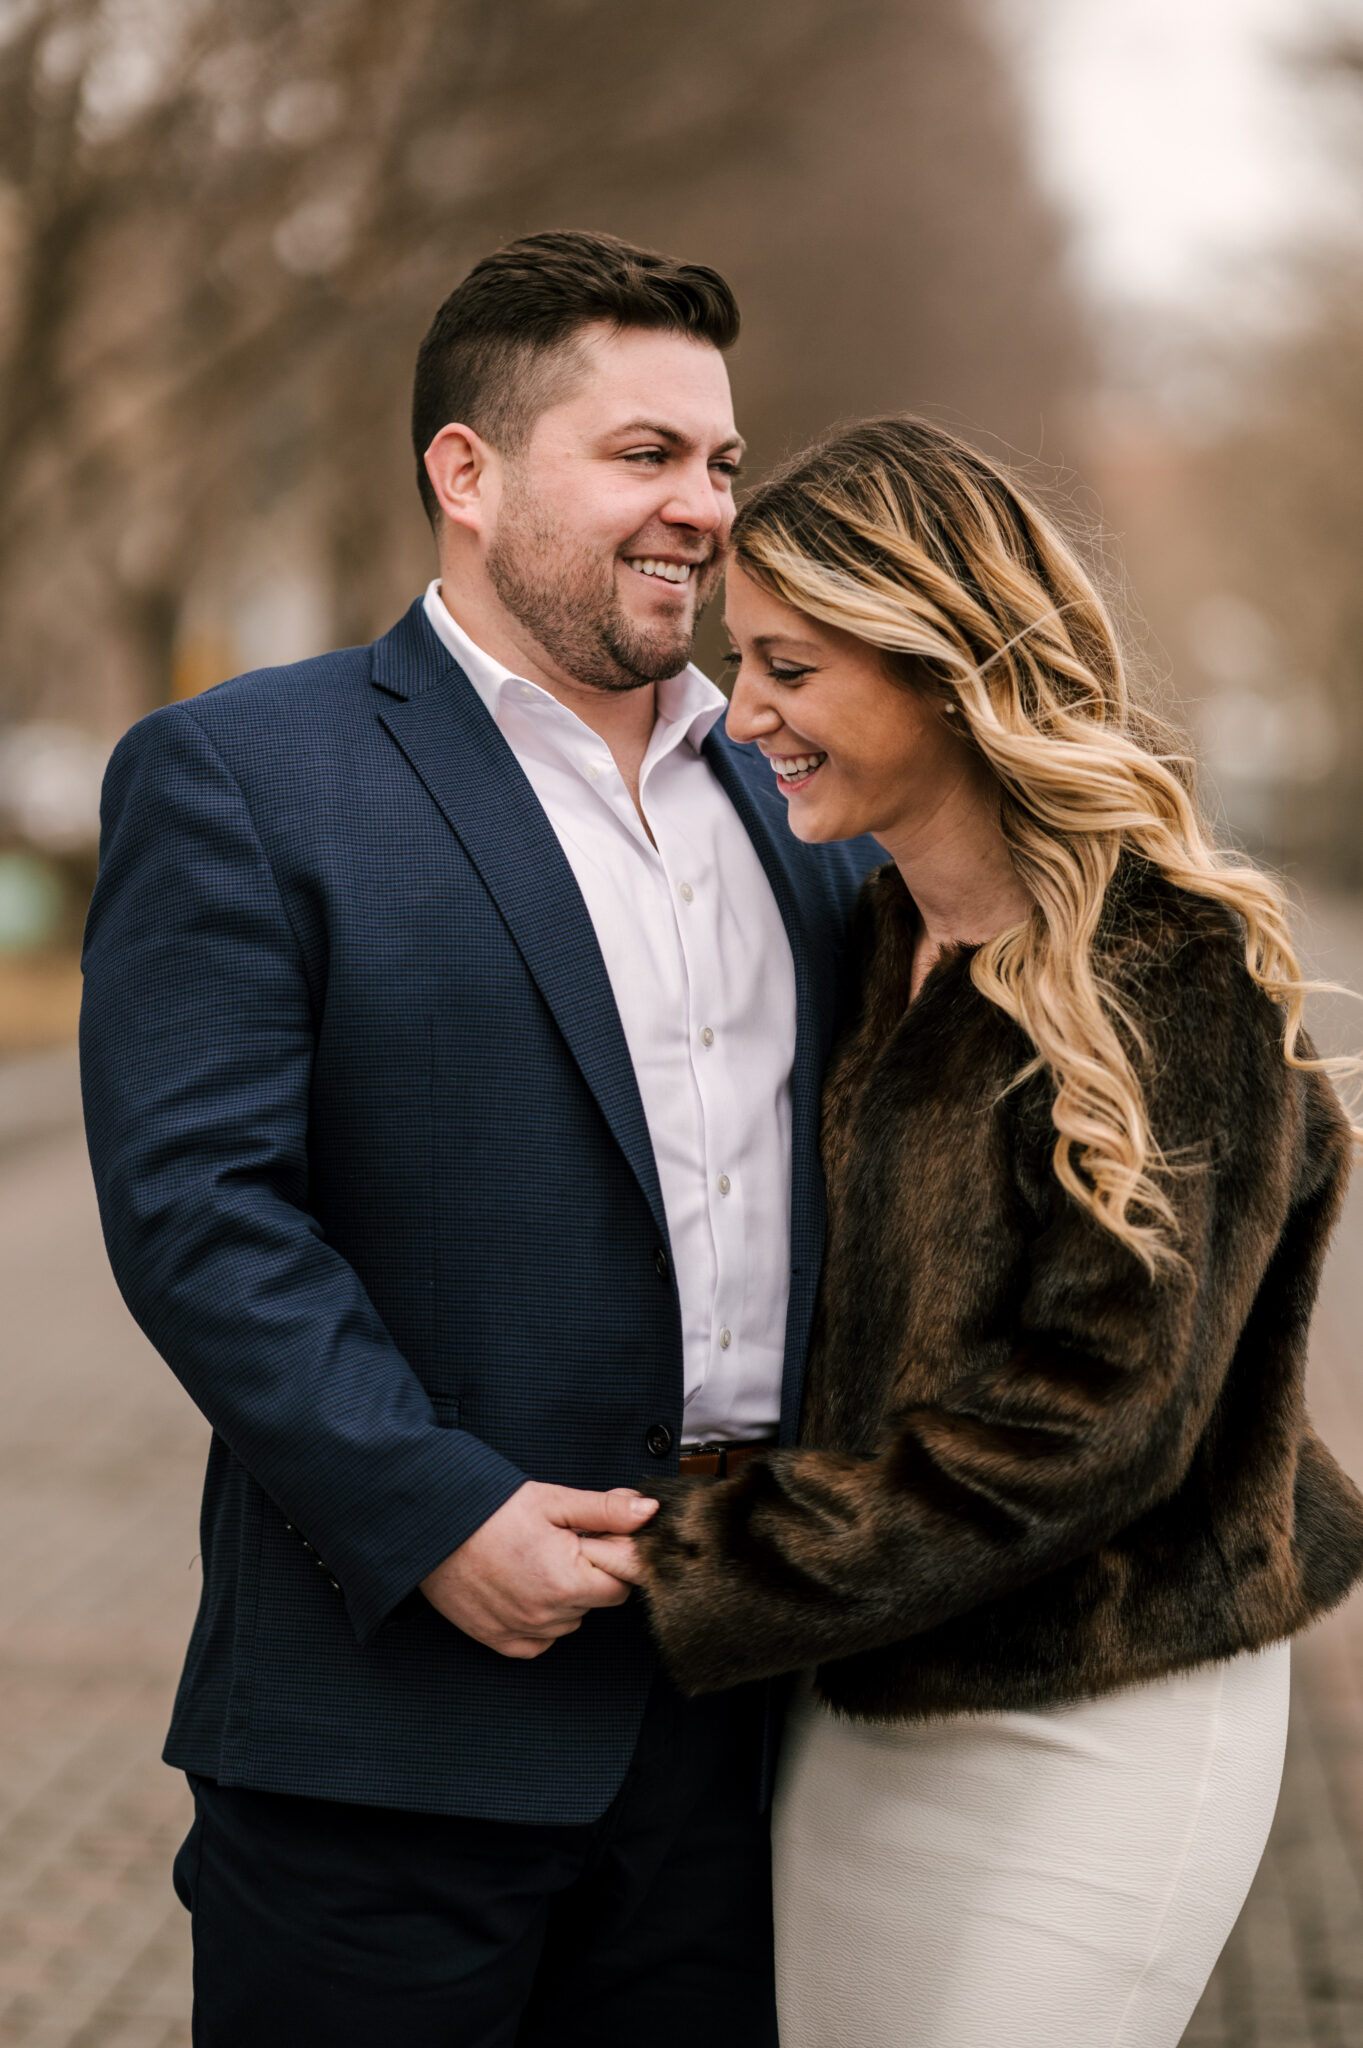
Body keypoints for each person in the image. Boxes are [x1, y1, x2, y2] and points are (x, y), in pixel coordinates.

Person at [78, 230, 879, 2046]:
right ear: (467, 470)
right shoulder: (247, 775)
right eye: (644, 455)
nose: (703, 507)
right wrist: (432, 1509)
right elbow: (202, 1211)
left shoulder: (799, 788)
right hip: (395, 1738)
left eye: (722, 463)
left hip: (741, 1724)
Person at [623, 415, 1363, 2048]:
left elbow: (1097, 1423)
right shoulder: (867, 940)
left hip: (1103, 1709)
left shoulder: (1171, 967)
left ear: (943, 666)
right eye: (746, 665)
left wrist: (694, 1559)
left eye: (793, 670)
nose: (744, 717)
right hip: (869, 1696)